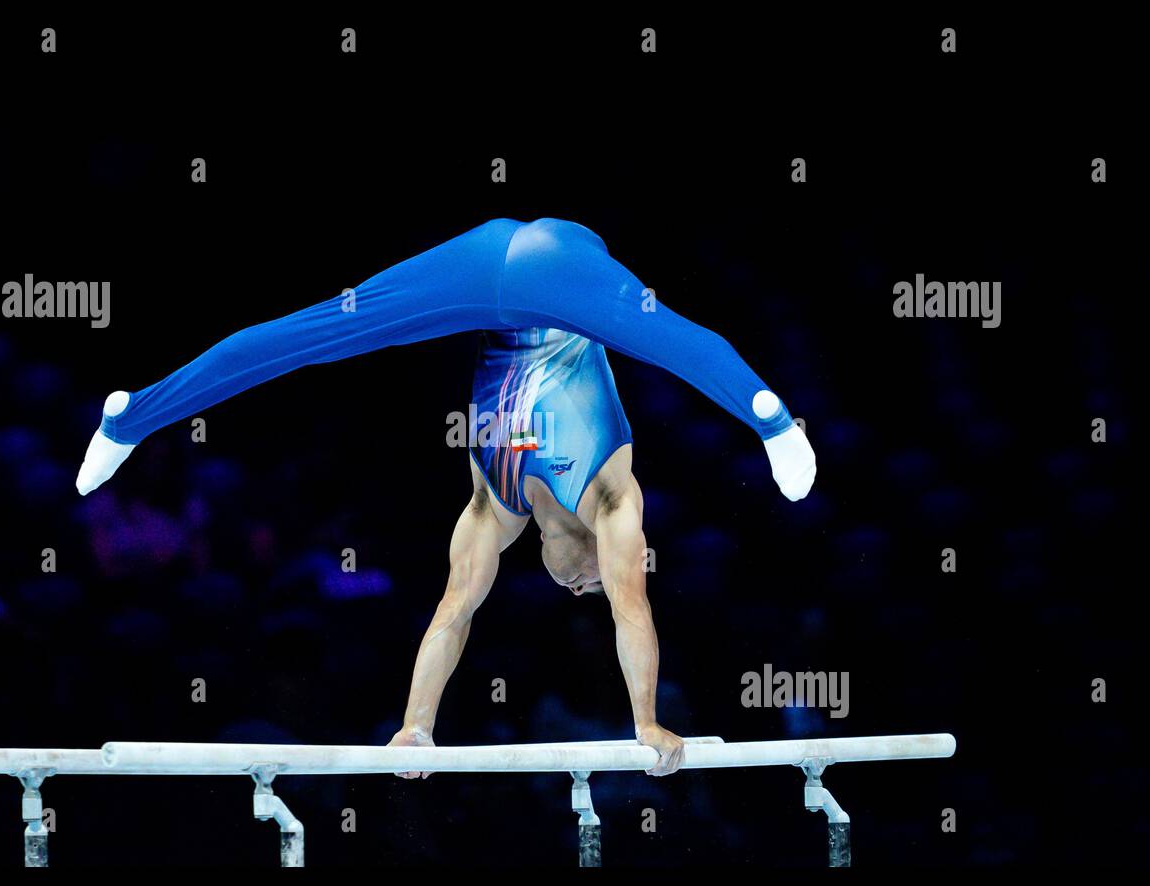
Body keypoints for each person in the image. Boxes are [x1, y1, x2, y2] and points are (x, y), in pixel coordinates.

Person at [75, 218, 817, 775]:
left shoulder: (491, 512)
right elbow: (633, 611)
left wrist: (415, 727)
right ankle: (772, 419)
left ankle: (130, 415)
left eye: (581, 589)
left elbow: (452, 615)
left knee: (324, 335)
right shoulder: (616, 502)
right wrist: (646, 723)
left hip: (484, 274)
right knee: (663, 336)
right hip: (560, 272)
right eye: (595, 582)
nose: (587, 587)